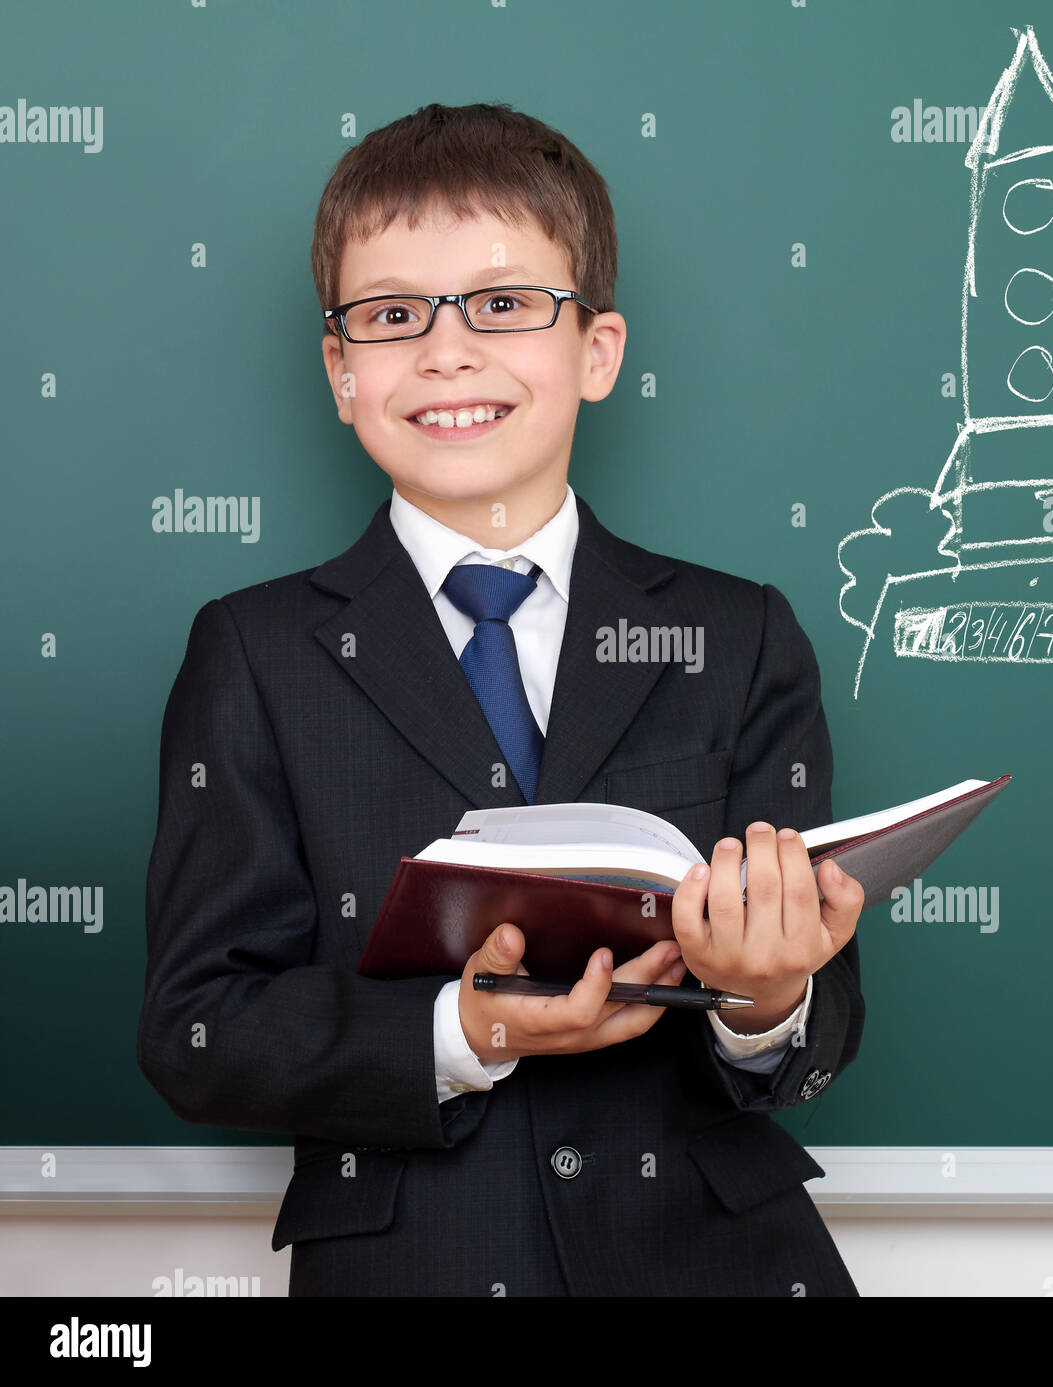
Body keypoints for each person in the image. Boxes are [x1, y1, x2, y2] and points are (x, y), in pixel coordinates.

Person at [138, 101, 866, 1297]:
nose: (446, 351)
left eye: (503, 302)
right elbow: (197, 1028)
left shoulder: (737, 635)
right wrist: (460, 1035)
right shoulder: (254, 653)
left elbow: (823, 1016)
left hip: (716, 1262)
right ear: (339, 373)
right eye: (388, 316)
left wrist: (769, 991)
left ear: (597, 350)